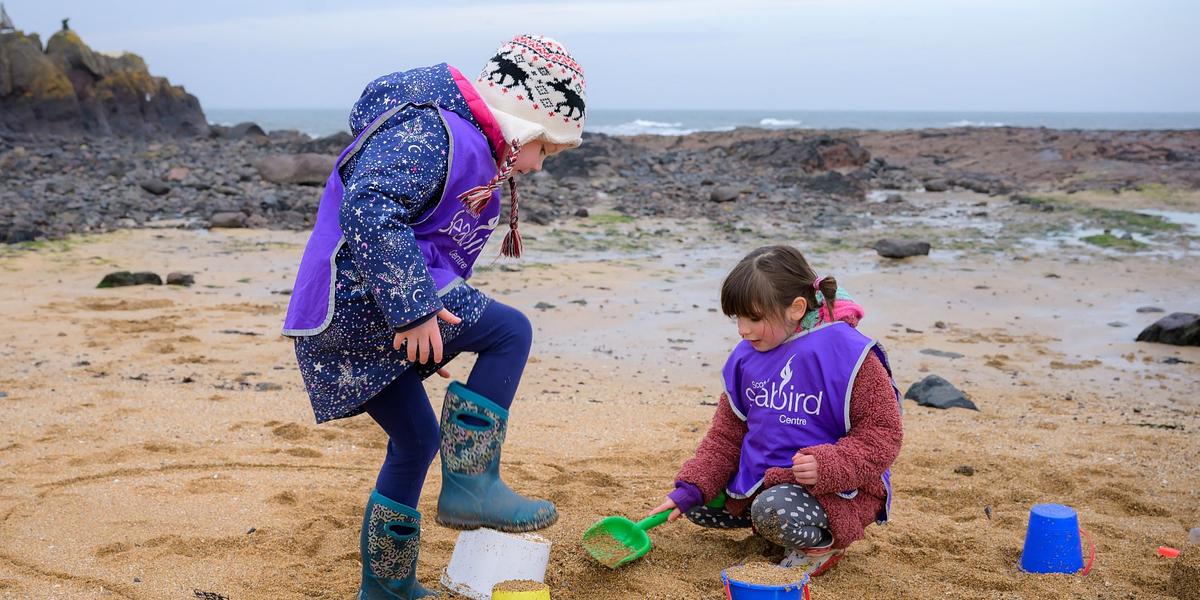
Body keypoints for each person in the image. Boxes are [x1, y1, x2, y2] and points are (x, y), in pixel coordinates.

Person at [281, 35, 586, 599]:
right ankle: (471, 485)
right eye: (548, 148)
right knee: (510, 332)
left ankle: (387, 587)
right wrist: (415, 312)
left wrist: (428, 330)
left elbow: (431, 239)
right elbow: (370, 210)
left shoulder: (464, 142)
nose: (542, 166)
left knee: (416, 440)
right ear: (519, 124)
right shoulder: (435, 131)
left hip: (350, 314)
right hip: (362, 302)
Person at [649, 245, 903, 577]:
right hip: (767, 484)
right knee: (697, 503)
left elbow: (883, 436)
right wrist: (691, 487)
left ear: (796, 308)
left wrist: (829, 465)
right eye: (737, 318)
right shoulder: (748, 357)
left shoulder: (850, 357)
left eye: (753, 318)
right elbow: (727, 437)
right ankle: (772, 525)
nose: (742, 329)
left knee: (774, 510)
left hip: (834, 489)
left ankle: (821, 547)